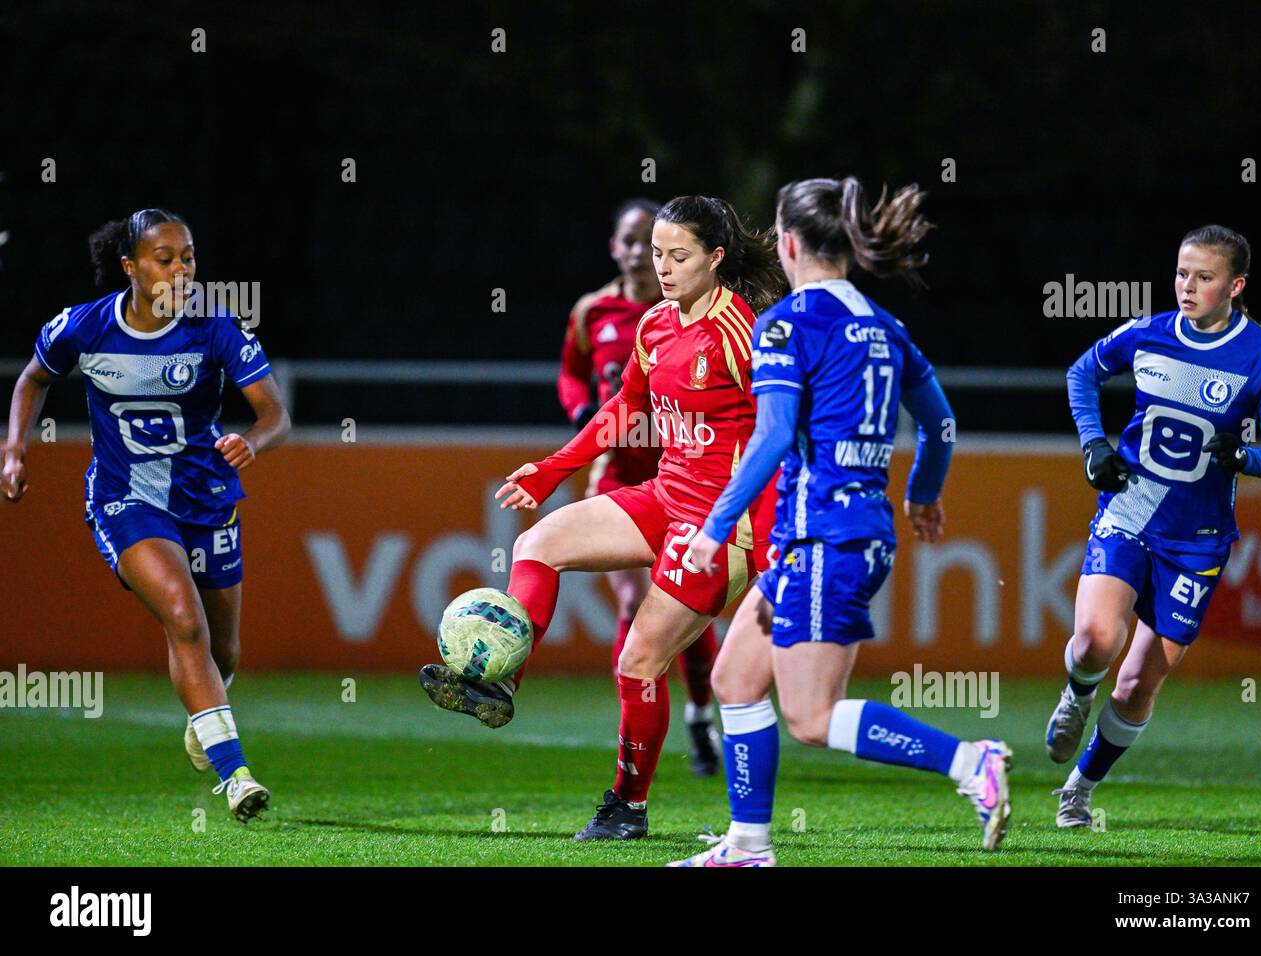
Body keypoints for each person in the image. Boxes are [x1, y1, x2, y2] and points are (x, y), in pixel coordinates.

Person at [667, 177, 1014, 867]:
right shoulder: (886, 325)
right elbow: (941, 423)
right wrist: (923, 492)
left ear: (789, 243)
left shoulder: (788, 324)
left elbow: (768, 439)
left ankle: (971, 761)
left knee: (813, 718)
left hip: (823, 536)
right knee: (735, 678)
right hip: (839, 535)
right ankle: (747, 845)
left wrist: (713, 527)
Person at [420, 195, 785, 840]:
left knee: (639, 660)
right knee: (537, 544)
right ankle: (502, 682)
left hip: (720, 526)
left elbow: (782, 434)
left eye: (679, 256)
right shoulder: (655, 325)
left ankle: (627, 807)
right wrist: (551, 468)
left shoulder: (740, 336)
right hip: (666, 495)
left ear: (716, 258)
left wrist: (764, 538)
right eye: (657, 254)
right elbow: (622, 409)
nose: (663, 268)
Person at [2, 208, 291, 822]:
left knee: (225, 650)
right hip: (124, 497)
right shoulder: (83, 327)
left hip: (205, 497)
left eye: (188, 256)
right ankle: (236, 775)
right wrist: (13, 449)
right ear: (131, 267)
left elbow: (275, 413)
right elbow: (32, 380)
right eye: (167, 259)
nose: (182, 270)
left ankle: (204, 708)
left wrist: (252, 442)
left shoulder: (215, 326)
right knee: (184, 620)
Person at [1045, 224, 1261, 827]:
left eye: (1204, 277)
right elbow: (1082, 373)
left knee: (1135, 687)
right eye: (1182, 273)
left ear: (1234, 286)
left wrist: (1246, 458)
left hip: (1196, 541)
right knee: (1093, 642)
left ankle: (1079, 788)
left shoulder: (1260, 356)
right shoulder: (1147, 332)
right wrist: (1093, 445)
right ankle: (1077, 694)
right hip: (1128, 512)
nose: (1187, 286)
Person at [556, 198, 723, 776]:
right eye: (632, 243)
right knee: (633, 598)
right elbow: (573, 372)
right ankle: (638, 717)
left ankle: (701, 713)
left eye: (654, 247)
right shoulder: (591, 311)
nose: (640, 255)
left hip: (691, 481)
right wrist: (581, 412)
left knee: (681, 610)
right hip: (623, 475)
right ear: (616, 248)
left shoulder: (689, 311)